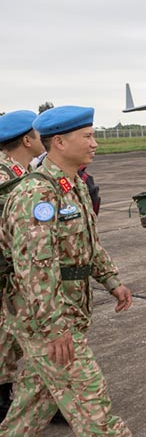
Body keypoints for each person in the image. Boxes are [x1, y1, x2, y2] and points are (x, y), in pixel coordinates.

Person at [0, 106, 134, 435]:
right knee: (95, 410)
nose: (95, 144)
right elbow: (34, 269)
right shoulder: (37, 195)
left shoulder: (70, 185)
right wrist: (53, 328)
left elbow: (89, 243)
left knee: (29, 411)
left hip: (69, 313)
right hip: (48, 322)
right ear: (59, 142)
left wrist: (111, 281)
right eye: (87, 136)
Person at [0, 110, 46, 423]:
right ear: (27, 140)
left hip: (12, 270)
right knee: (8, 329)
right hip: (8, 271)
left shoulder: (18, 170)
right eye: (39, 133)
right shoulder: (7, 178)